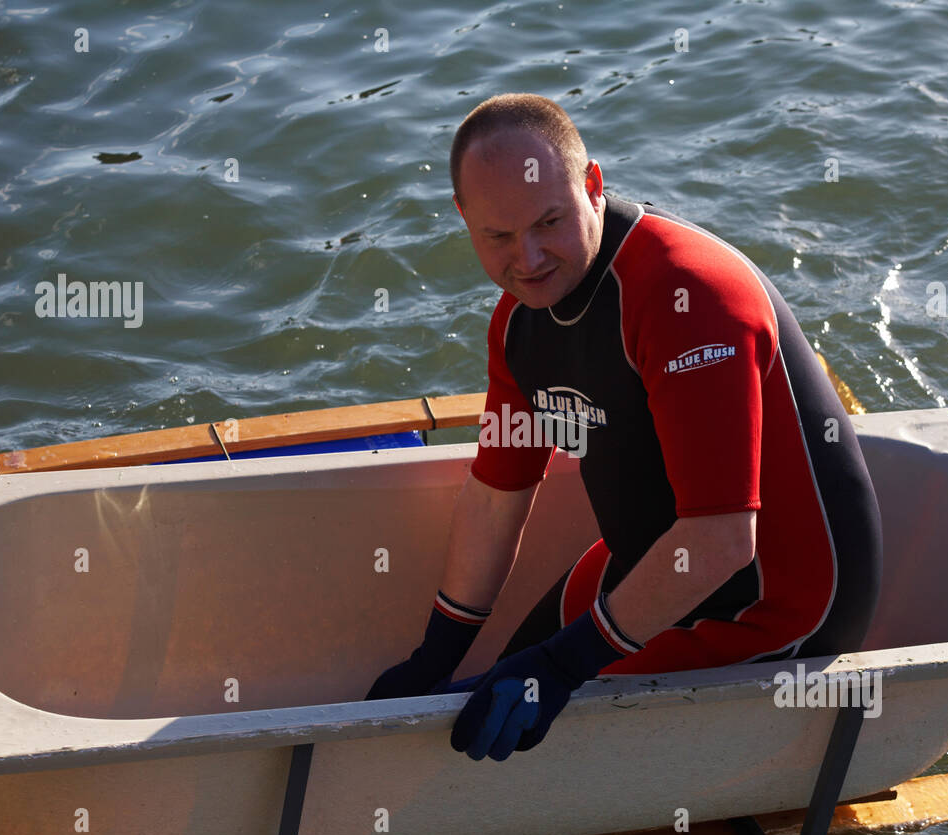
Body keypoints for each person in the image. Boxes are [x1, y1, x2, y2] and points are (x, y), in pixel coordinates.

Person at [366, 93, 882, 763]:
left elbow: (722, 539)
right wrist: (433, 654)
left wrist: (563, 663)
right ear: (464, 218)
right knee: (477, 700)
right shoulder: (519, 323)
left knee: (512, 719)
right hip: (650, 562)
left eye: (549, 221)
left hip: (779, 604)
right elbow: (496, 499)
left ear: (593, 186)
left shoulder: (685, 297)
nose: (527, 258)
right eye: (497, 236)